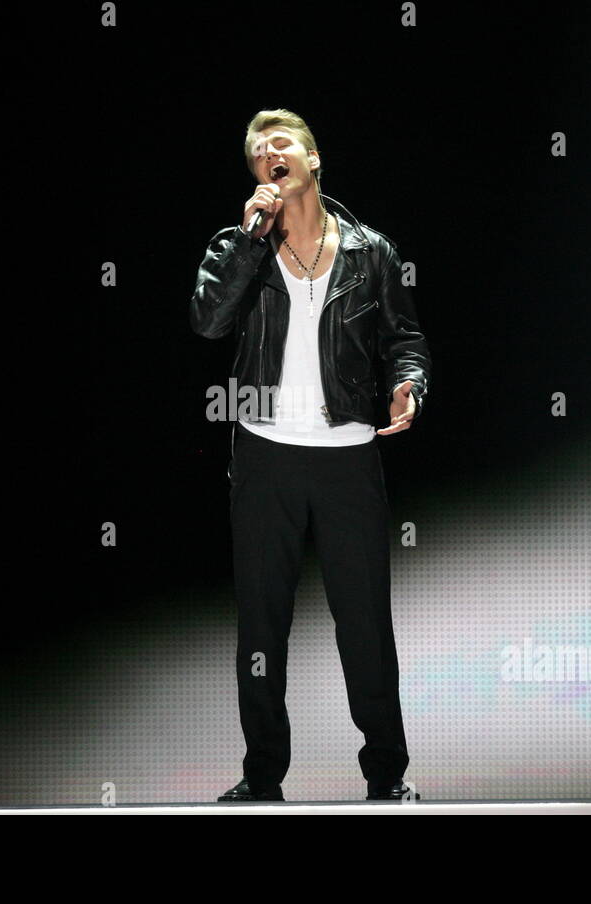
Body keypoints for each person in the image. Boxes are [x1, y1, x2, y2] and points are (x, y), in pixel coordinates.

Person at [190, 109, 432, 802]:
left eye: (282, 141)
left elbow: (405, 339)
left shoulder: (370, 253)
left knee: (364, 622)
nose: (271, 150)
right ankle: (261, 777)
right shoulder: (241, 245)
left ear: (313, 159)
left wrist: (409, 387)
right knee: (261, 625)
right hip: (266, 456)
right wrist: (245, 240)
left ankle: (387, 776)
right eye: (258, 149)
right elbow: (207, 319)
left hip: (347, 458)